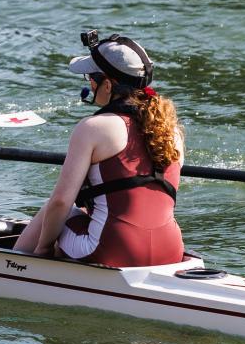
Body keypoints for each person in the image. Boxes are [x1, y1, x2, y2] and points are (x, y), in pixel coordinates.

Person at [13, 31, 184, 268]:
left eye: (92, 77)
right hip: (172, 250)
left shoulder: (93, 127)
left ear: (108, 84)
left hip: (115, 250)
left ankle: (15, 265)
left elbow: (61, 202)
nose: (89, 83)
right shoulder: (171, 130)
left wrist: (43, 251)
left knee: (56, 210)